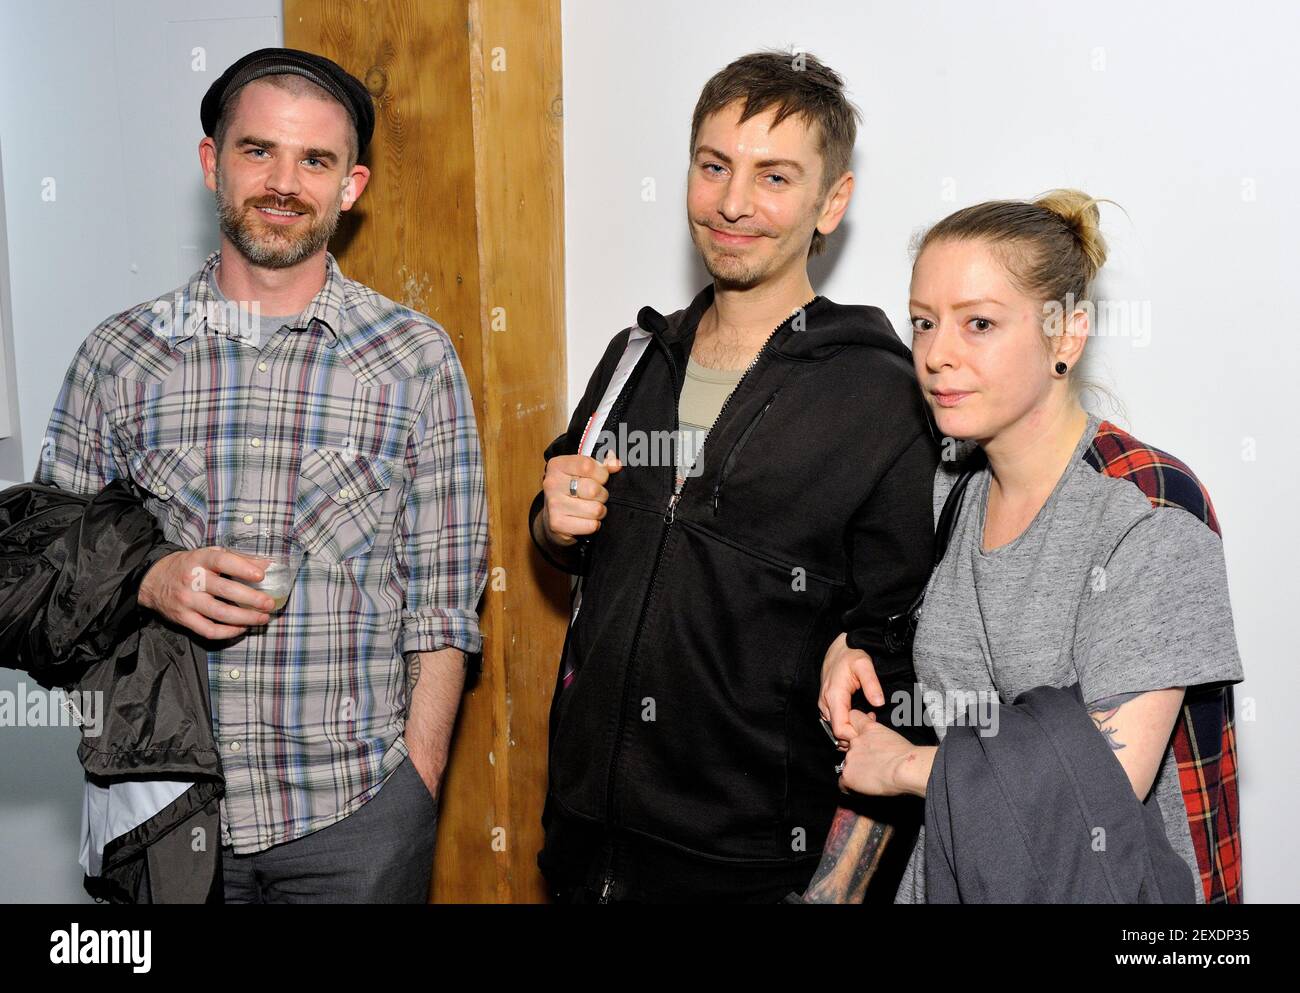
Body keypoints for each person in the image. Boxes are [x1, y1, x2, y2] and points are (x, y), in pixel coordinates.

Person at [34, 47, 489, 903]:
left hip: (353, 819)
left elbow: (443, 607)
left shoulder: (415, 360)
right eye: (258, 151)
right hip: (163, 808)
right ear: (212, 163)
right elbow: (39, 573)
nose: (284, 182)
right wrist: (148, 578)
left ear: (350, 186)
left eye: (315, 160)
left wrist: (415, 786)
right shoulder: (119, 355)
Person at [529, 50, 938, 903]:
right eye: (713, 166)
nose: (733, 203)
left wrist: (838, 886)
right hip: (579, 841)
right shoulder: (634, 357)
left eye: (775, 177)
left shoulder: (885, 395)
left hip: (751, 869)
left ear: (832, 202)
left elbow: (898, 652)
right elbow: (572, 541)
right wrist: (550, 521)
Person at [822, 189, 1244, 903]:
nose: (935, 355)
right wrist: (846, 644)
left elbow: (1108, 774)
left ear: (1067, 335)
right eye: (923, 323)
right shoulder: (947, 487)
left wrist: (902, 767)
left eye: (978, 323)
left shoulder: (1149, 509)